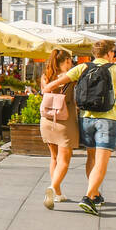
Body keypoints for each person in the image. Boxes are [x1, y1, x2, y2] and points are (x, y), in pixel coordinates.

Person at [44, 39, 116, 216]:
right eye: (113, 52)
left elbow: (50, 86)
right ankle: (88, 197)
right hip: (108, 119)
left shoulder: (82, 68)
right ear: (108, 53)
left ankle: (90, 193)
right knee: (101, 161)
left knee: (91, 158)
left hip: (86, 118)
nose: (113, 55)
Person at [39, 48, 79, 208]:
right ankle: (52, 187)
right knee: (64, 160)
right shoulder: (69, 77)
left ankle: (58, 194)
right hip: (65, 120)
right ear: (67, 61)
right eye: (70, 61)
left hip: (47, 119)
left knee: (54, 157)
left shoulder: (45, 77)